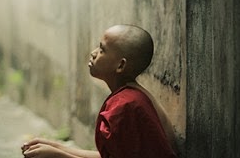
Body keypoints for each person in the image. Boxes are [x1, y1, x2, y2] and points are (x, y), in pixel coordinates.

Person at [21, 25, 178, 158]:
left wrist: (58, 156)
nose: (93, 53)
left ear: (120, 66)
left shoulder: (126, 105)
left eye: (102, 50)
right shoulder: (130, 94)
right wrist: (57, 146)